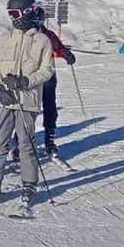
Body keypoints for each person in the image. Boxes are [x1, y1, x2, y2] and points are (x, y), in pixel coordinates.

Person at [0, 0, 55, 215]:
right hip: (5, 100)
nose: (13, 19)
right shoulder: (3, 39)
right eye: (10, 14)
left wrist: (26, 81)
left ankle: (29, 184)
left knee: (26, 144)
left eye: (15, 14)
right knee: (0, 141)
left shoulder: (42, 41)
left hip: (27, 100)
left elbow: (47, 70)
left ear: (27, 12)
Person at [34, 12, 76, 156]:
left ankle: (49, 142)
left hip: (48, 77)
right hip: (30, 78)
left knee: (50, 108)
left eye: (40, 19)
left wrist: (66, 54)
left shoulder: (48, 35)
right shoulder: (25, 36)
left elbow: (58, 47)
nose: (39, 21)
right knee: (28, 110)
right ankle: (21, 143)